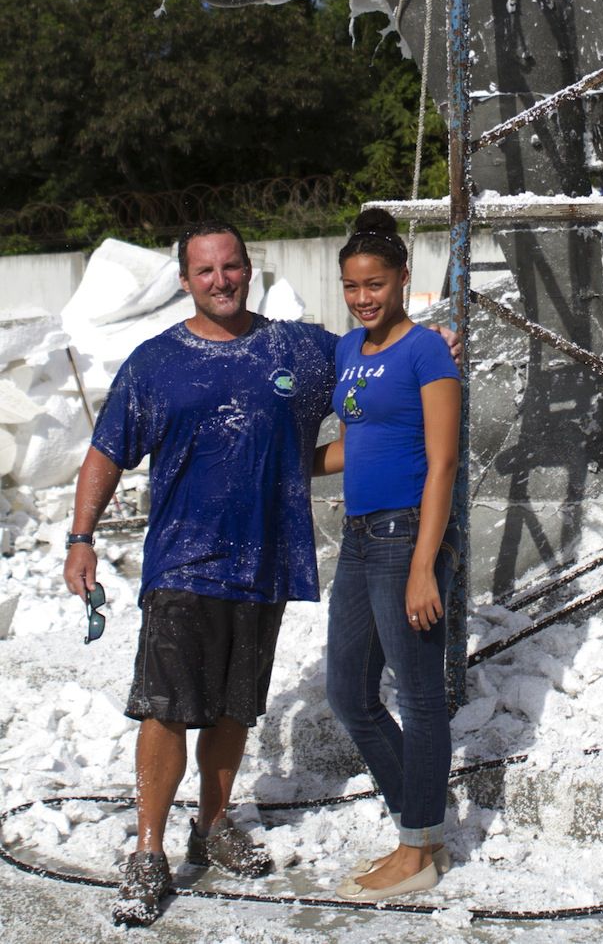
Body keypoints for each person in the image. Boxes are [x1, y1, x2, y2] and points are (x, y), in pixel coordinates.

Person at [62, 220, 459, 927]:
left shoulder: (300, 349)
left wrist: (435, 346)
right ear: (186, 280)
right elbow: (107, 450)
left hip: (264, 561)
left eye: (231, 266)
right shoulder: (156, 362)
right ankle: (148, 850)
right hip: (184, 559)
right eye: (205, 270)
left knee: (233, 708)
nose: (220, 280)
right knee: (166, 705)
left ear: (249, 269)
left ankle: (212, 824)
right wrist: (81, 536)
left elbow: (381, 365)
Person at [313, 208, 461, 901]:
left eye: (374, 283)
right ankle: (422, 823)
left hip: (408, 537)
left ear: (403, 278)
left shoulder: (427, 351)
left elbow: (442, 461)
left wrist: (426, 564)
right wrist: (291, 462)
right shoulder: (350, 350)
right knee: (348, 692)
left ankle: (417, 847)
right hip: (360, 537)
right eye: (351, 285)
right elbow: (355, 444)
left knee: (420, 695)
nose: (363, 296)